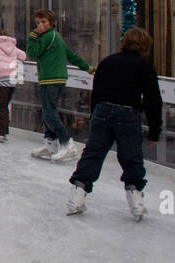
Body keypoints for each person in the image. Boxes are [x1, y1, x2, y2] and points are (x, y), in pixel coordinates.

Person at [66, 27, 162, 221]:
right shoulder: (144, 66)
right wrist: (154, 130)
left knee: (93, 153)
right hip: (127, 113)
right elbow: (153, 99)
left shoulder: (107, 62)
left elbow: (97, 91)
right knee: (131, 156)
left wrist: (96, 115)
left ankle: (77, 196)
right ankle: (136, 200)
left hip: (103, 111)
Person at [26, 9, 92, 162]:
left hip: (52, 79)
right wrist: (87, 68)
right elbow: (71, 55)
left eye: (43, 22)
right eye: (37, 23)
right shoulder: (56, 37)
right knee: (47, 113)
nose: (40, 25)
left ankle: (68, 143)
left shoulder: (49, 36)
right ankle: (50, 144)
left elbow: (33, 52)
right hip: (50, 78)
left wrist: (32, 35)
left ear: (51, 23)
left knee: (50, 114)